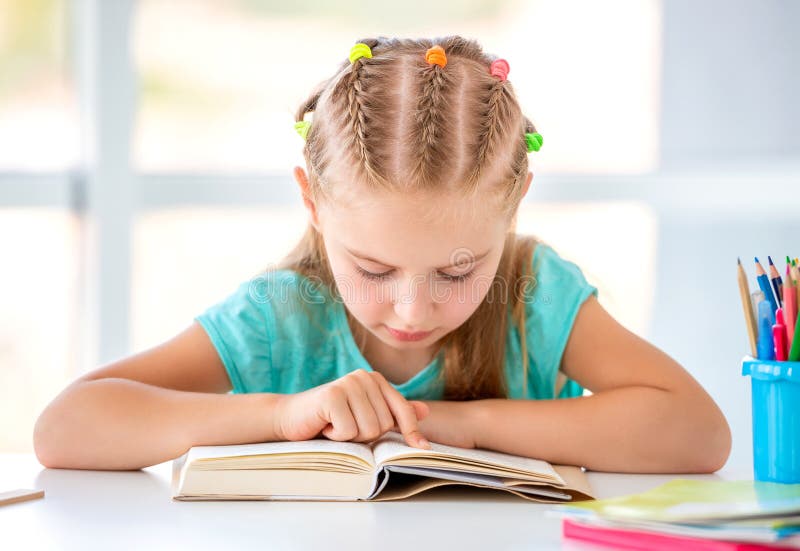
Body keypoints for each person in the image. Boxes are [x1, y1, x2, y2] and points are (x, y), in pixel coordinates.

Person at [34, 36, 731, 472]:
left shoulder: (531, 292)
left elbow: (698, 434)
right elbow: (67, 427)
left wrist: (458, 425)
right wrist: (281, 415)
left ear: (515, 201)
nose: (411, 306)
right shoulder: (282, 316)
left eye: (457, 271)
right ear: (312, 202)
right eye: (372, 269)